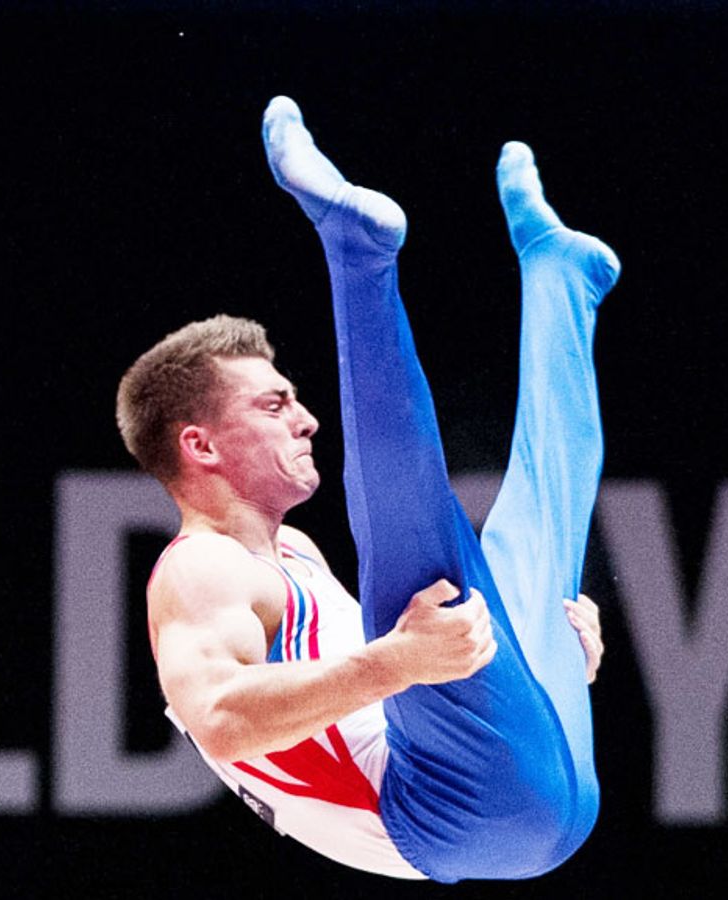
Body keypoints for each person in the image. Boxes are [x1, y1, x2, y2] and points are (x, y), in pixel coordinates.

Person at [116, 96, 619, 882]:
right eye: (274, 405)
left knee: (534, 529)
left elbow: (413, 675)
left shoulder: (293, 554)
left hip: (536, 798)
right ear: (199, 445)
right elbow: (219, 718)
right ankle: (359, 257)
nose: (309, 419)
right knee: (416, 556)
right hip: (441, 811)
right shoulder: (196, 572)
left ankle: (562, 278)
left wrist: (543, 657)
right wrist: (398, 662)